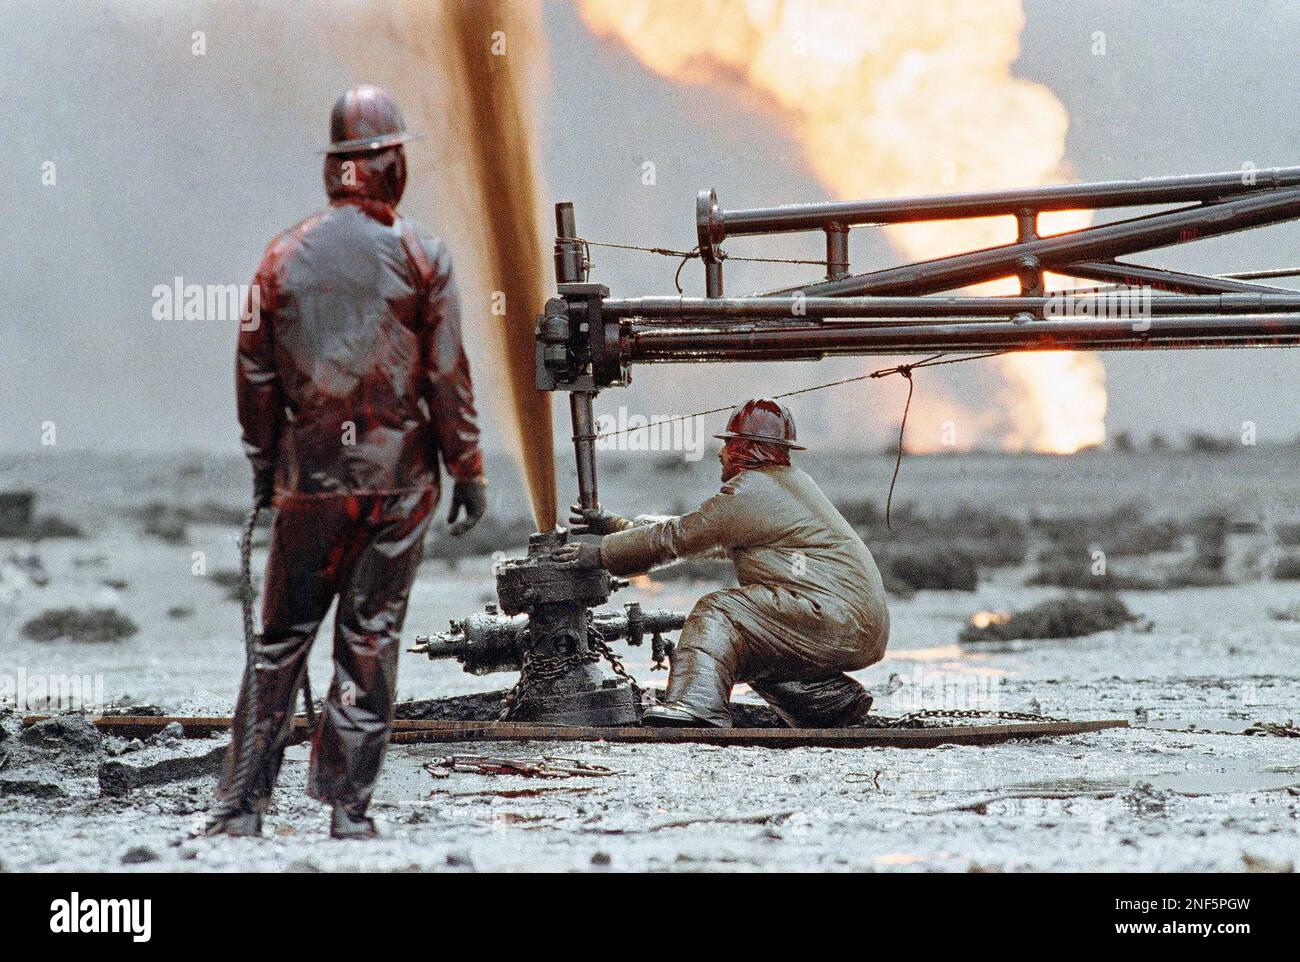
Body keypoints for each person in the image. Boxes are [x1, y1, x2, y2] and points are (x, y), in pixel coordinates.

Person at [208, 86, 487, 838]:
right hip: (399, 482)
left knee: (279, 643)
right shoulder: (423, 254)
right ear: (389, 163)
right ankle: (348, 810)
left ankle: (240, 808)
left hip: (313, 481)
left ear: (337, 169)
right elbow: (445, 374)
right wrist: (468, 466)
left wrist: (267, 469)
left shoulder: (282, 254)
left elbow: (255, 376)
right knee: (369, 638)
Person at [556, 398, 888, 728]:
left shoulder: (753, 490)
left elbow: (680, 537)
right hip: (857, 625)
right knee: (751, 638)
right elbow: (701, 537)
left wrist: (599, 554)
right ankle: (827, 702)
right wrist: (618, 529)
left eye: (728, 444)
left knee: (720, 612)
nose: (721, 454)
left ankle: (696, 706)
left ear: (745, 449)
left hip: (835, 617)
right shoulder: (788, 484)